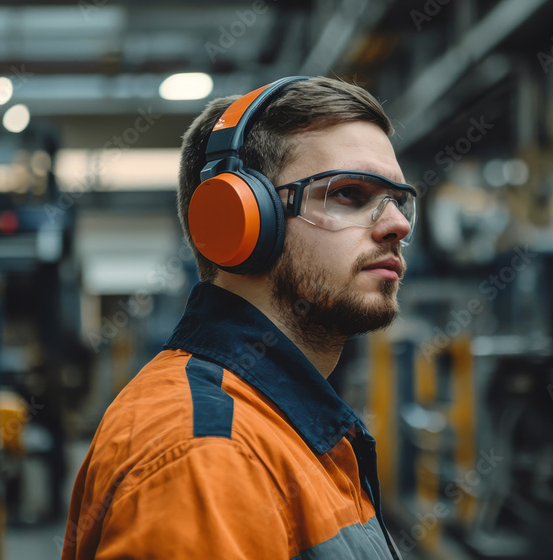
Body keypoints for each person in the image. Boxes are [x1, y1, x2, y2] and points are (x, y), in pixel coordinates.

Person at [62, 76, 416, 559]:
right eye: (349, 194)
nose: (398, 224)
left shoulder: (283, 425)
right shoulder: (205, 455)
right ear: (239, 219)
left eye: (399, 199)